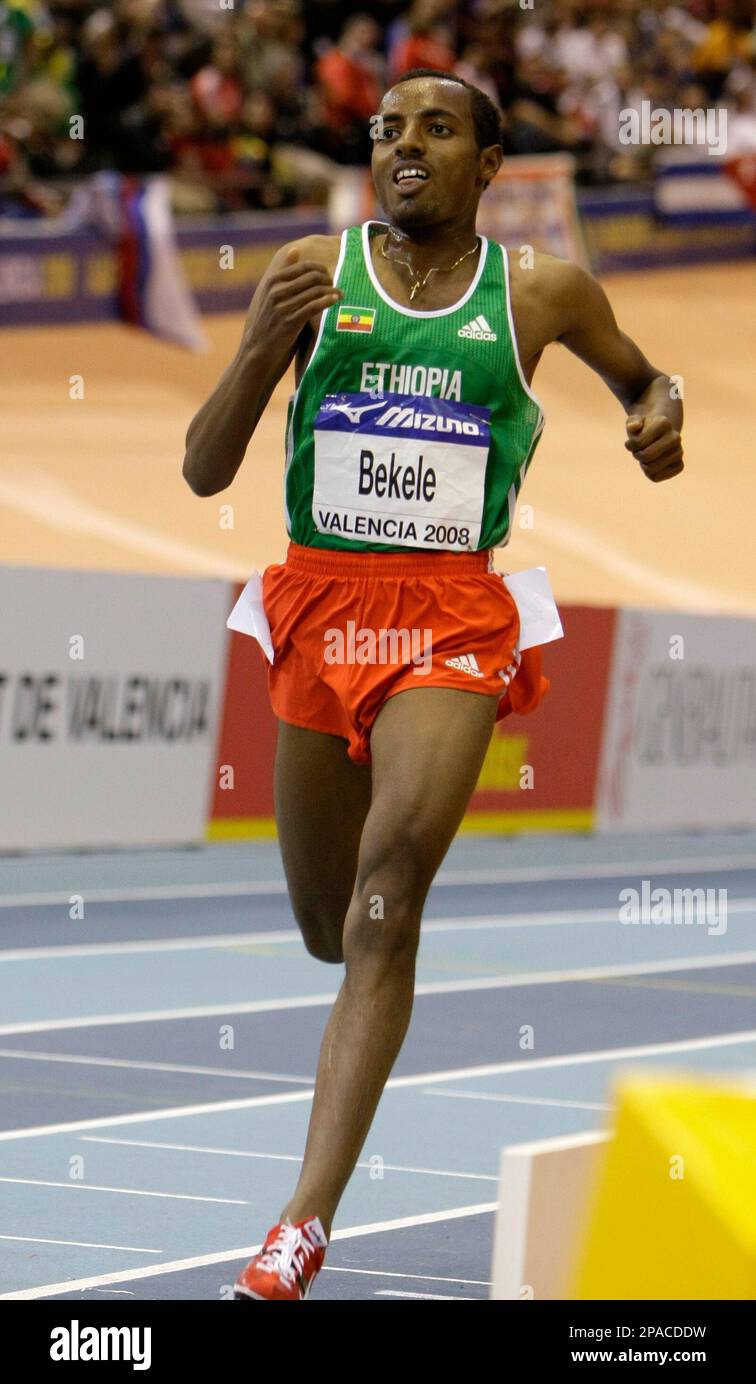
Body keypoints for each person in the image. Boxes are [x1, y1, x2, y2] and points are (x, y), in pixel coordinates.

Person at [182, 67, 684, 1301]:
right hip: (317, 601)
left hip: (455, 615)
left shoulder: (542, 292)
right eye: (387, 128)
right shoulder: (311, 270)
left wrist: (662, 417)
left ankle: (300, 1221)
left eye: (437, 129)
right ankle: (356, 969)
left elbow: (648, 383)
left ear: (491, 163)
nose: (405, 145)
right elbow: (204, 471)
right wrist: (257, 345)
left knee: (388, 892)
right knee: (325, 922)